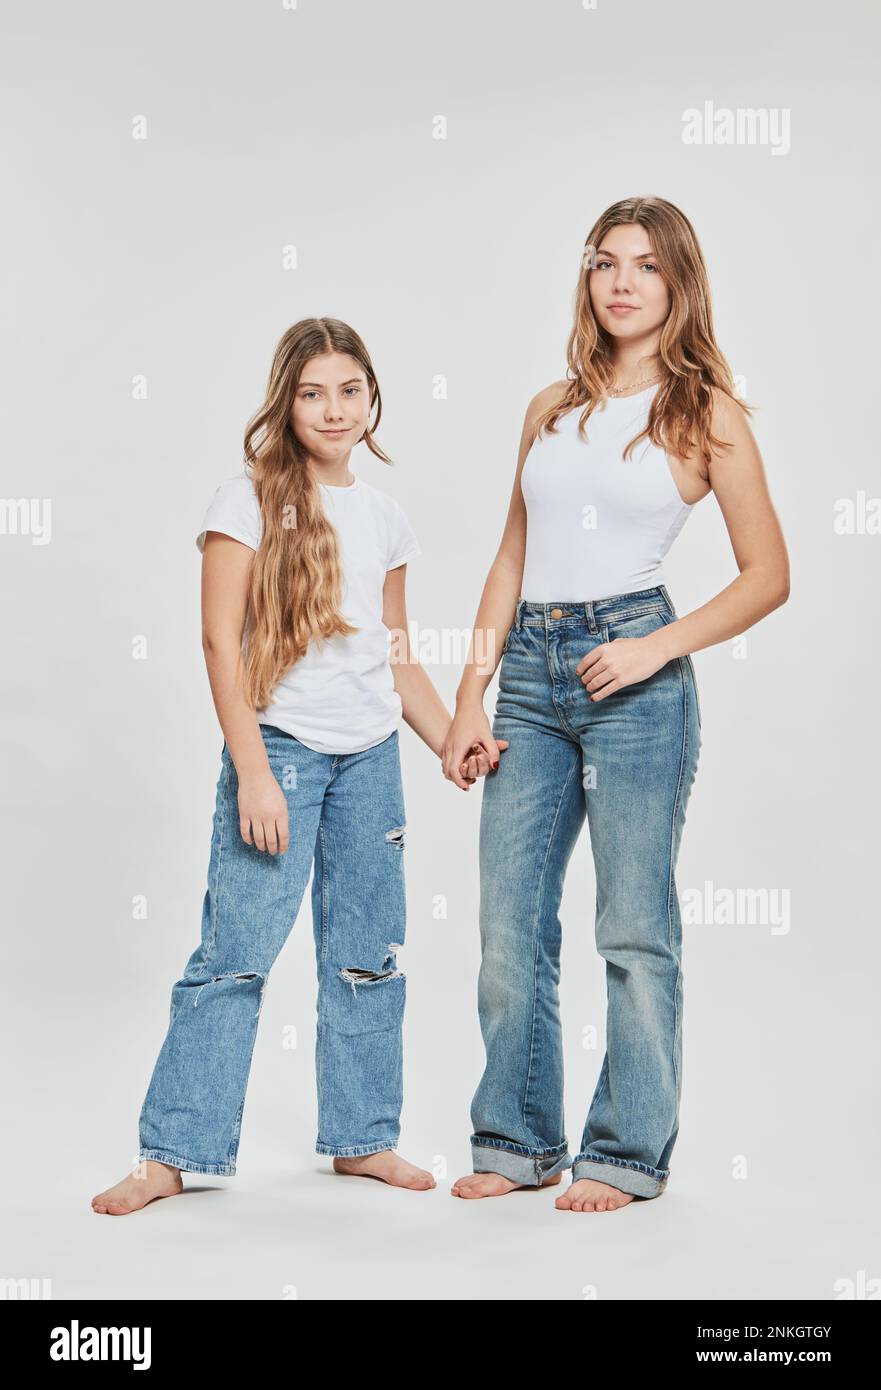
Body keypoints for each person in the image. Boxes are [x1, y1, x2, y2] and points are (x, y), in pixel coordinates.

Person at [92, 316, 488, 1216]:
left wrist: (447, 744)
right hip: (280, 752)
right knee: (233, 956)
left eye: (350, 389)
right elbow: (217, 643)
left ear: (372, 397)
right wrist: (254, 772)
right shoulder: (245, 501)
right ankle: (172, 1152)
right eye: (313, 392)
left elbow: (397, 658)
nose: (333, 408)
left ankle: (362, 1139)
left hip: (370, 761)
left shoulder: (384, 516)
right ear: (286, 399)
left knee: (367, 957)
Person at [442, 196, 790, 1212]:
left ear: (677, 283)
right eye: (604, 262)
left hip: (635, 676)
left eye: (644, 264)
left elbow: (766, 573)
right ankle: (514, 1140)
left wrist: (652, 646)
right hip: (529, 682)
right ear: (587, 280)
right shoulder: (548, 407)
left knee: (631, 926)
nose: (621, 280)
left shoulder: (703, 413)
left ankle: (626, 1152)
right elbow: (510, 556)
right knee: (508, 924)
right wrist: (470, 694)